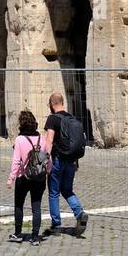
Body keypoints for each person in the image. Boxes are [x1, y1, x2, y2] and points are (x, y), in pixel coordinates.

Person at [44, 92, 88, 237]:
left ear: (52, 104)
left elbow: (49, 140)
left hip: (57, 160)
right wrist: (76, 162)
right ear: (63, 102)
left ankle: (56, 225)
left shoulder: (52, 119)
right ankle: (79, 212)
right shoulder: (72, 118)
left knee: (54, 192)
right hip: (71, 161)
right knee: (67, 190)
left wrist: (45, 160)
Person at [7, 110, 48, 245]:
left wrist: (11, 178)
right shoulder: (42, 138)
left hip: (23, 177)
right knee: (36, 206)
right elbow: (47, 157)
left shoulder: (19, 139)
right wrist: (48, 170)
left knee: (19, 204)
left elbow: (16, 161)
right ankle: (35, 237)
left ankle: (18, 233)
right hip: (40, 177)